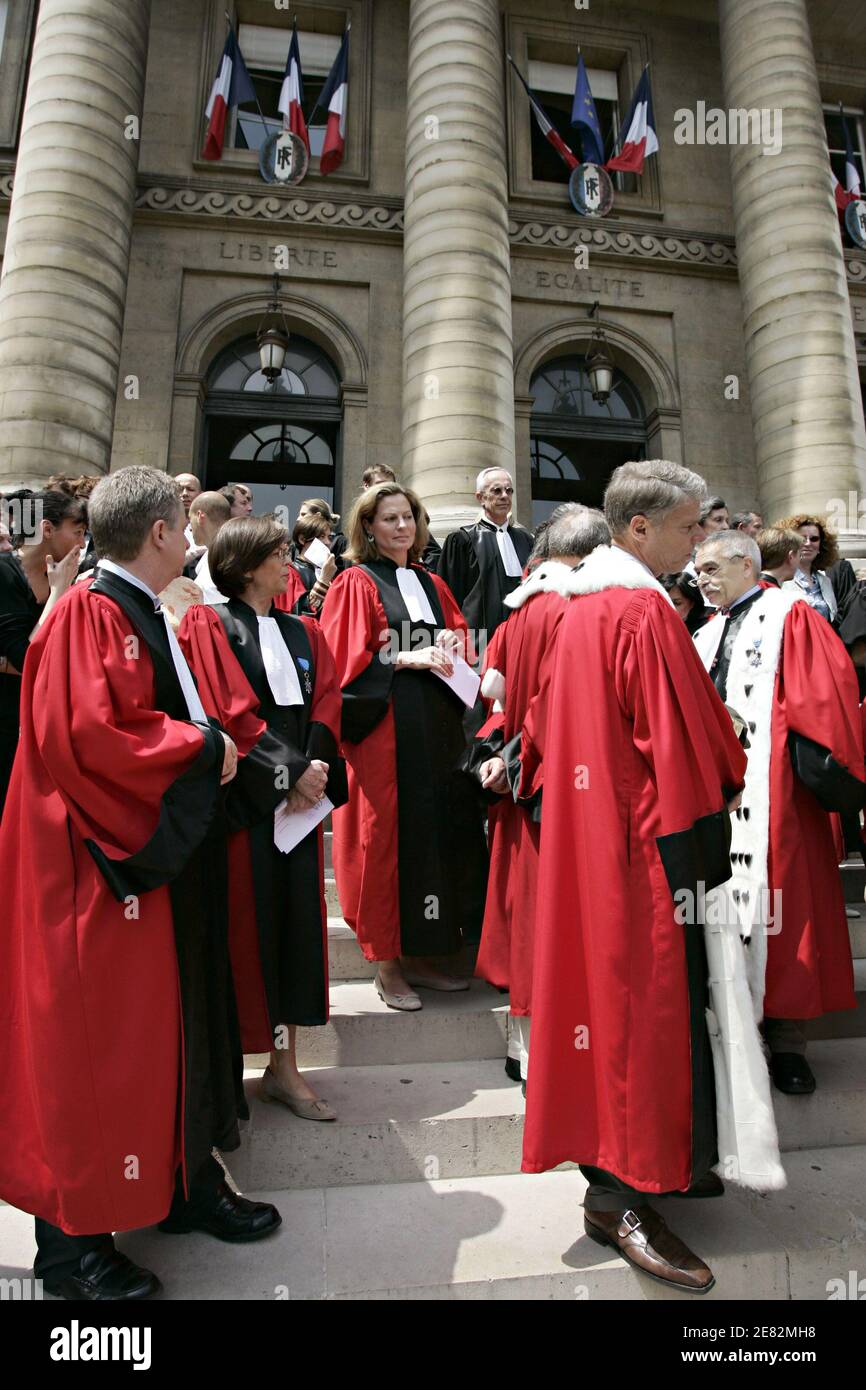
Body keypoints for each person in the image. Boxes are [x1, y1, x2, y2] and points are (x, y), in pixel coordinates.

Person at [0, 466, 280, 1302]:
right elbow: (90, 735)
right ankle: (72, 1250)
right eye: (183, 527)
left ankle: (183, 1185)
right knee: (93, 1047)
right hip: (92, 861)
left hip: (156, 853)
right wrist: (199, 750)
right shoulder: (89, 612)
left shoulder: (148, 608)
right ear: (160, 531)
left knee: (179, 1026)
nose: (193, 539)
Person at [522, 460, 764, 1297]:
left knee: (612, 1008)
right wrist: (727, 744)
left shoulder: (569, 609)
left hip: (589, 840)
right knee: (638, 1012)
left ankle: (650, 1167)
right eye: (691, 527)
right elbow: (685, 742)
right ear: (638, 530)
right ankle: (620, 1194)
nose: (702, 541)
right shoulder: (641, 612)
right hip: (642, 847)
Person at [180, 516, 347, 1121]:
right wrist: (289, 773)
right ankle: (228, 1073)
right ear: (246, 563)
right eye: (279, 554)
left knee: (294, 930)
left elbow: (327, 699)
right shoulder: (209, 622)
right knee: (242, 931)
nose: (290, 564)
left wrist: (315, 772)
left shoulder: (306, 630)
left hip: (300, 807)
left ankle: (284, 1067)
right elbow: (229, 707)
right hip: (245, 804)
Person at [693, 531, 865, 1096]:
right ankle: (732, 1031)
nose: (703, 579)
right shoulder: (705, 630)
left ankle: (788, 1041)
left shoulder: (791, 615)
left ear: (748, 563)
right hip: (714, 799)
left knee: (782, 913)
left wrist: (812, 774)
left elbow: (825, 699)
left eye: (713, 567)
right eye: (699, 570)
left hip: (776, 794)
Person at [320, 482, 488, 1009]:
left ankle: (425, 953)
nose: (401, 527)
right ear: (367, 528)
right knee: (385, 842)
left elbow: (462, 646)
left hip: (437, 733)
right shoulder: (355, 582)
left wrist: (451, 647)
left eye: (408, 518)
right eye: (389, 519)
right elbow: (340, 664)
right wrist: (401, 658)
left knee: (433, 837)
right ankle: (387, 964)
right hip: (385, 734)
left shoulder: (433, 583)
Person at [467, 506, 610, 1089]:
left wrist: (498, 759)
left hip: (520, 785)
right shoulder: (577, 608)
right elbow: (554, 702)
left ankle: (521, 1050)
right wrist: (523, 757)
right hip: (563, 787)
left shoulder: (515, 612)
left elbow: (493, 697)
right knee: (558, 925)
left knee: (525, 921)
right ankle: (556, 1054)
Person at [0, 490, 86, 818]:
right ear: (47, 530)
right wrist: (58, 594)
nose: (82, 542)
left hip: (35, 720)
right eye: (77, 532)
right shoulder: (6, 572)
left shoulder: (68, 576)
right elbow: (30, 659)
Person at [437, 468, 533, 650]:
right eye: (497, 490)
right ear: (480, 497)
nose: (504, 496)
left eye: (509, 490)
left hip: (521, 640)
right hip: (478, 643)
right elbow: (448, 597)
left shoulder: (526, 540)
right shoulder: (462, 539)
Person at [776, 512, 839, 623]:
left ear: (821, 546)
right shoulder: (780, 579)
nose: (808, 543)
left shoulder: (825, 581)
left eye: (814, 539)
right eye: (802, 538)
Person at [291, 511, 341, 615]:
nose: (328, 542)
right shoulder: (292, 572)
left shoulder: (327, 571)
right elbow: (301, 612)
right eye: (321, 537)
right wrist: (323, 580)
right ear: (302, 539)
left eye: (329, 537)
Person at [186, 489, 232, 603]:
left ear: (200, 516)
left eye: (190, 520)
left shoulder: (229, 556)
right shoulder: (211, 553)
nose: (190, 528)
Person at [661, 569, 708, 634]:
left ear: (692, 604)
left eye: (676, 603)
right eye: (663, 601)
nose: (668, 607)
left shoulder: (706, 631)